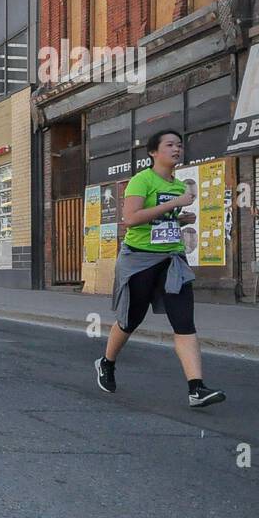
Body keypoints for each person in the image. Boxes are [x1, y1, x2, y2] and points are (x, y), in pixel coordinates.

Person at [97, 129, 224, 408]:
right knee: (131, 319)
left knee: (184, 321)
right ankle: (106, 363)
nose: (176, 149)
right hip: (140, 259)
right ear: (154, 152)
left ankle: (196, 388)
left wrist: (179, 219)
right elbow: (130, 219)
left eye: (179, 145)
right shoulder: (142, 181)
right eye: (170, 145)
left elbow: (163, 221)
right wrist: (176, 204)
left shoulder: (179, 186)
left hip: (172, 260)